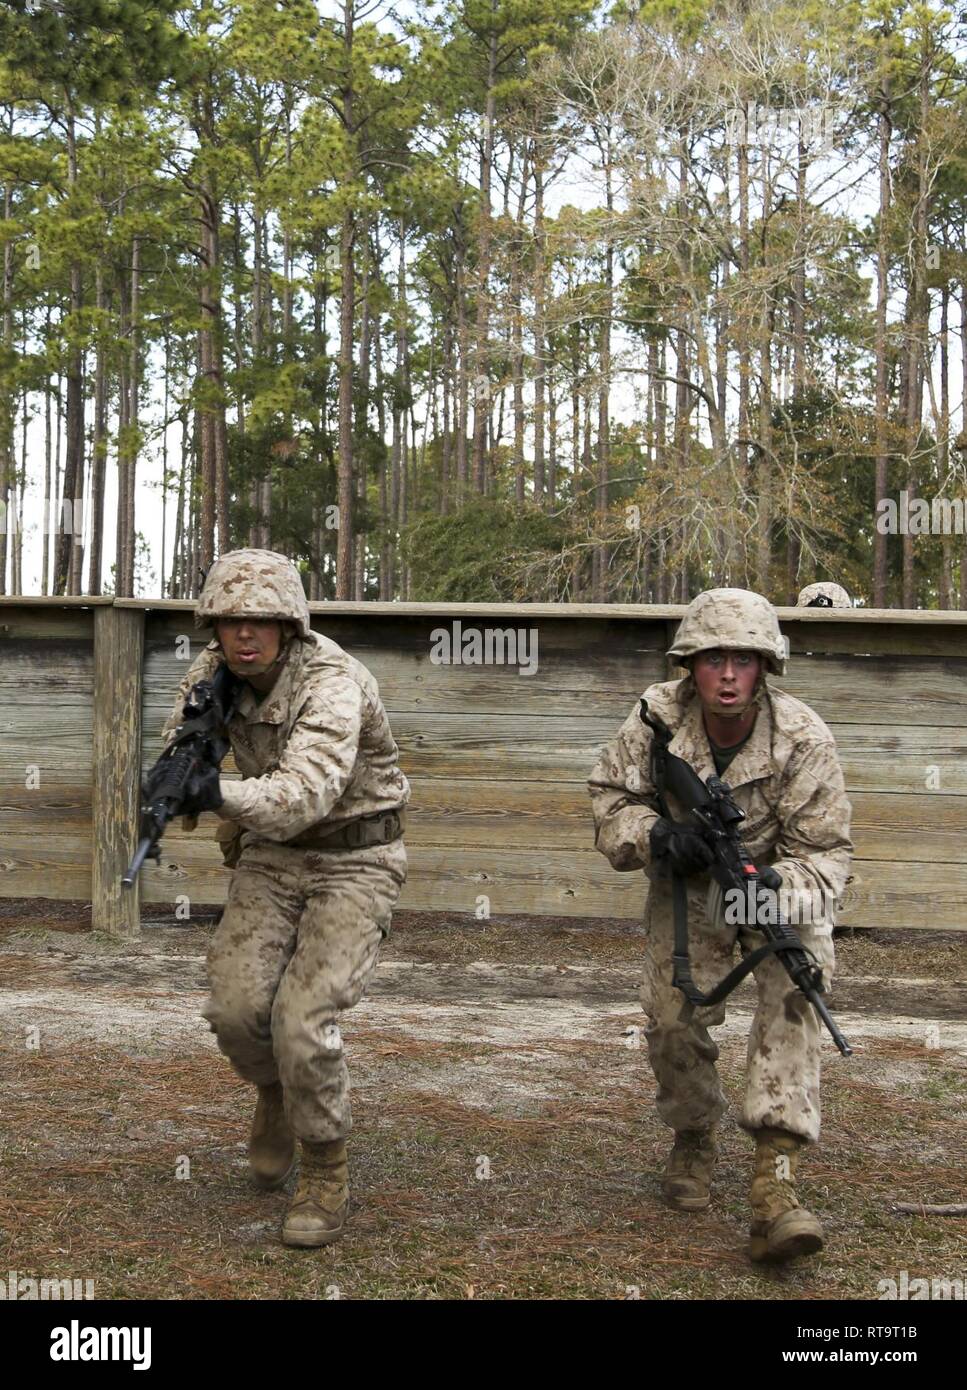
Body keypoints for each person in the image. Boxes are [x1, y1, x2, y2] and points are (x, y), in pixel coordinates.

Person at [588, 588, 852, 1263]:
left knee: (794, 998)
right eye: (712, 660)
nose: (727, 675)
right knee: (672, 1021)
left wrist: (773, 886)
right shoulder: (654, 720)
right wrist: (657, 836)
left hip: (772, 888)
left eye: (743, 659)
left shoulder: (803, 737)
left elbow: (826, 855)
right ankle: (694, 1134)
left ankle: (775, 1187)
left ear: (765, 667)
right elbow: (611, 802)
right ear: (689, 666)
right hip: (691, 888)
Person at [160, 548, 409, 1248]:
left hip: (355, 858)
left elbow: (304, 794)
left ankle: (324, 1167)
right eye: (231, 621)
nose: (245, 635)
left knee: (301, 1020)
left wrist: (212, 794)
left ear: (290, 624)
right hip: (270, 857)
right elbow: (180, 753)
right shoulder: (209, 679)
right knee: (236, 1009)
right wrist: (169, 788)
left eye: (261, 621)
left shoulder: (332, 682)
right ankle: (275, 1093)